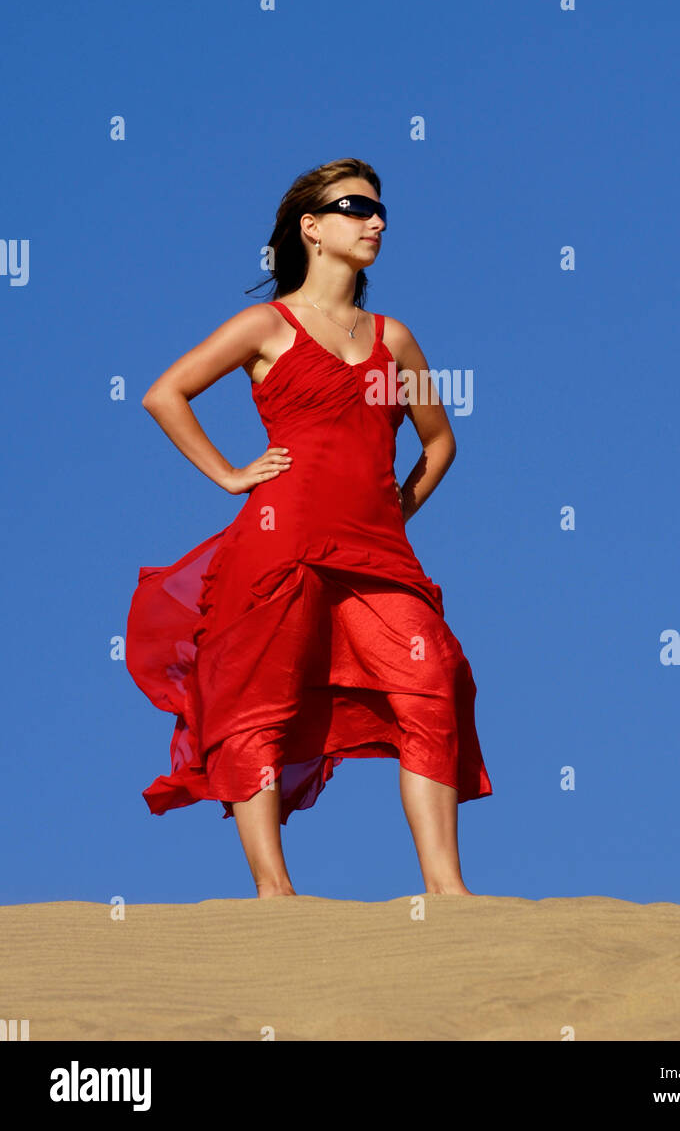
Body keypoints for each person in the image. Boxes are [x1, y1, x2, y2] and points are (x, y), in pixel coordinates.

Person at [125, 157, 492, 898]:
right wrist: (231, 475)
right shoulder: (268, 325)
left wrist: (400, 505)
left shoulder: (394, 340)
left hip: (377, 549)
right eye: (357, 208)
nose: (376, 222)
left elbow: (440, 441)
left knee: (432, 682)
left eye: (381, 211)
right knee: (257, 699)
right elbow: (165, 393)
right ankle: (274, 894)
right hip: (281, 537)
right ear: (312, 229)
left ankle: (448, 892)